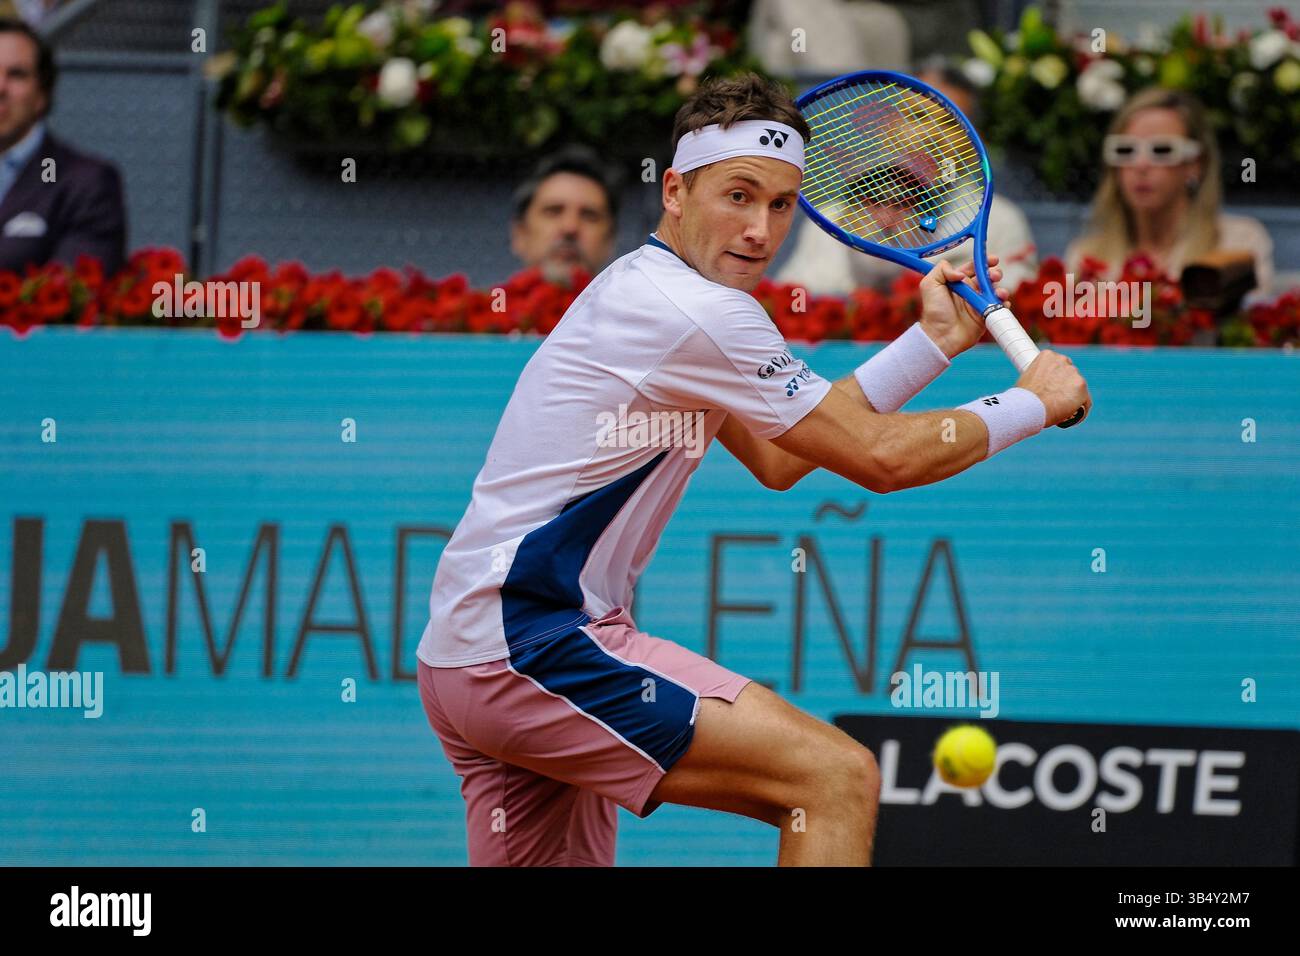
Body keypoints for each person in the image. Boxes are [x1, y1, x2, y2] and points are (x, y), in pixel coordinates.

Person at [416, 72, 1090, 867]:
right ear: (675, 190)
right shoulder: (702, 311)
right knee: (831, 779)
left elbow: (780, 455)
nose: (760, 229)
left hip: (472, 657)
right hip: (530, 645)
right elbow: (877, 457)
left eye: (779, 204)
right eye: (737, 195)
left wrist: (934, 344)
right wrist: (1030, 403)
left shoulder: (651, 290)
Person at [776, 58, 1037, 295]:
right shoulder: (828, 219)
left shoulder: (1003, 222)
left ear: (973, 140)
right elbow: (795, 298)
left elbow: (1018, 301)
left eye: (950, 122)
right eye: (918, 116)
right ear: (891, 127)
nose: (931, 135)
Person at [1066, 87, 1274, 295]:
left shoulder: (1238, 245)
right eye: (1125, 150)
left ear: (1195, 164)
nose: (1140, 165)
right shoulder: (1085, 257)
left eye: (1162, 150)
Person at [0, 17, 126, 277]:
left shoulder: (86, 184)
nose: (0, 87)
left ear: (42, 96)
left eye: (17, 75)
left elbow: (73, 296)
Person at [509, 144, 620, 283]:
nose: (570, 227)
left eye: (589, 216)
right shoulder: (484, 304)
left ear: (610, 242)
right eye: (553, 211)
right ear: (520, 233)